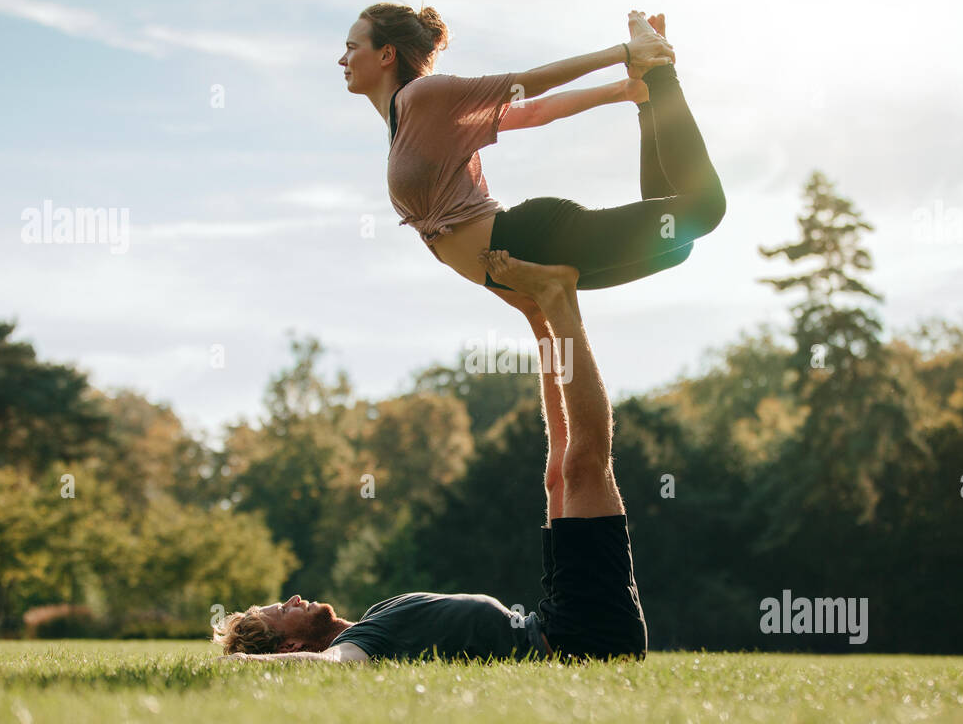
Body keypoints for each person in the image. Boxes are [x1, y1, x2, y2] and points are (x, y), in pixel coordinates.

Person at [213, 251, 647, 665]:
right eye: (281, 611)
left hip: (555, 616)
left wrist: (534, 322)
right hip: (584, 637)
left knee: (559, 471)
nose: (293, 598)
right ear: (290, 645)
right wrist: (244, 662)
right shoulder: (363, 642)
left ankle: (543, 315)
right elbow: (329, 664)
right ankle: (558, 295)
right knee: (583, 463)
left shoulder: (376, 615)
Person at [340, 4, 726, 305]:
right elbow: (537, 112)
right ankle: (649, 94)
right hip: (521, 265)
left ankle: (660, 74)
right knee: (675, 247)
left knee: (704, 210)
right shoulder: (407, 122)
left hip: (528, 238)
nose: (343, 60)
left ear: (386, 53)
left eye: (351, 48)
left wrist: (625, 52)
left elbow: (525, 87)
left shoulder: (422, 96)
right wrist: (625, 91)